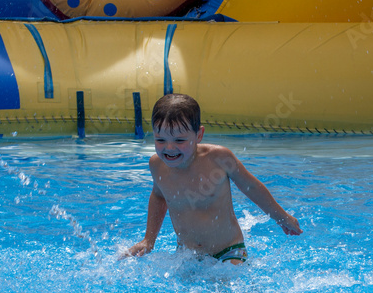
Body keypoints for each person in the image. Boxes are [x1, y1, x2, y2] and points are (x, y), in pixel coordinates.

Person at [122, 93, 302, 263]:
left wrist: (282, 217)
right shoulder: (157, 165)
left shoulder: (219, 159)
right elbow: (159, 196)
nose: (169, 148)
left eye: (179, 140)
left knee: (227, 290)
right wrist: (149, 239)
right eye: (160, 140)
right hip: (187, 255)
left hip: (229, 251)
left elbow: (251, 187)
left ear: (199, 135)